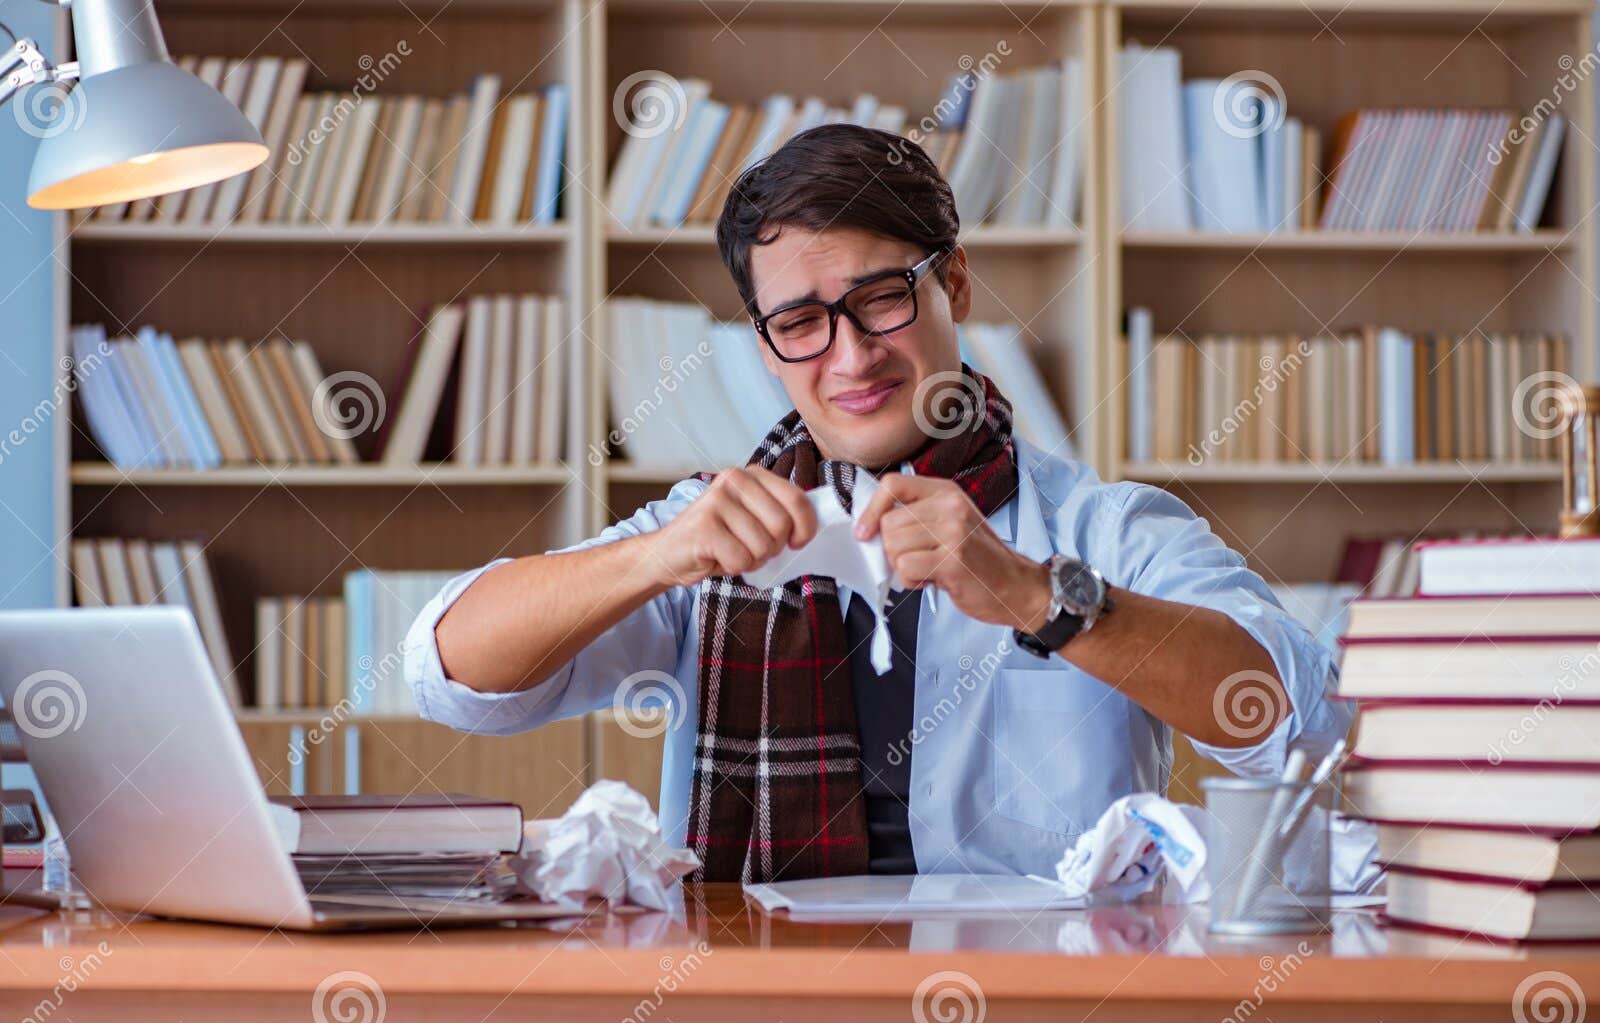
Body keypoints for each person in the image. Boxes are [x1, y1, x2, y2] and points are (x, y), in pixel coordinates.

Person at [404, 123, 1353, 883]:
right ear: (766, 347)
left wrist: (1038, 599)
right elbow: (448, 677)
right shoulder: (711, 533)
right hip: (762, 1001)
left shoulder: (1100, 528)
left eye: (883, 299)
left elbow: (1298, 728)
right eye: (801, 323)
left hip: (1052, 1007)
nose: (851, 357)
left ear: (955, 284)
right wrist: (657, 557)